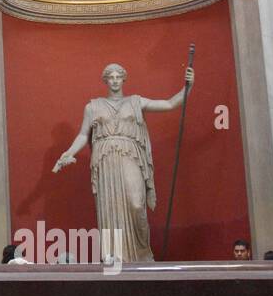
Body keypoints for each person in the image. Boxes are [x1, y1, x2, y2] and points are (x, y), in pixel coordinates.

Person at [53, 61, 195, 261]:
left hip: (130, 154)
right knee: (110, 207)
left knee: (136, 203)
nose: (114, 81)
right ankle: (114, 256)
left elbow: (169, 104)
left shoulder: (136, 102)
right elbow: (83, 135)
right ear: (105, 80)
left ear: (124, 79)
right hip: (105, 160)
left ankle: (142, 254)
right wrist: (68, 153)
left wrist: (187, 88)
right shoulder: (93, 107)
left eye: (118, 77)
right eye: (110, 77)